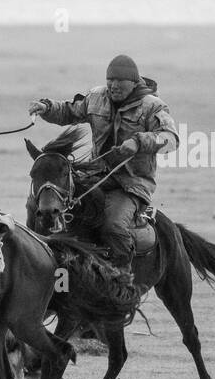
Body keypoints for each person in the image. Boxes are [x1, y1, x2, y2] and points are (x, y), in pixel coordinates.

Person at [28, 55, 178, 276]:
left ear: (134, 83)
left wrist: (138, 142)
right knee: (48, 202)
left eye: (120, 81)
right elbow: (70, 111)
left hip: (131, 184)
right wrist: (46, 108)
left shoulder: (152, 107)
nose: (113, 85)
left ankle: (122, 280)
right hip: (95, 176)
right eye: (110, 80)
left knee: (113, 226)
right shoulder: (97, 97)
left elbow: (171, 139)